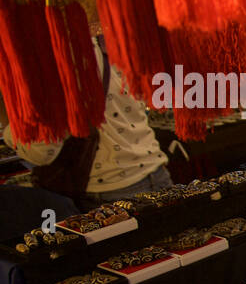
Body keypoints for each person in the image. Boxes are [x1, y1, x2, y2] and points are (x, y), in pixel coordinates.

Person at [1, 40, 171, 206]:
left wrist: (9, 129)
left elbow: (43, 151)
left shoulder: (50, 58)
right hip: (155, 172)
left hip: (108, 189)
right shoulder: (104, 38)